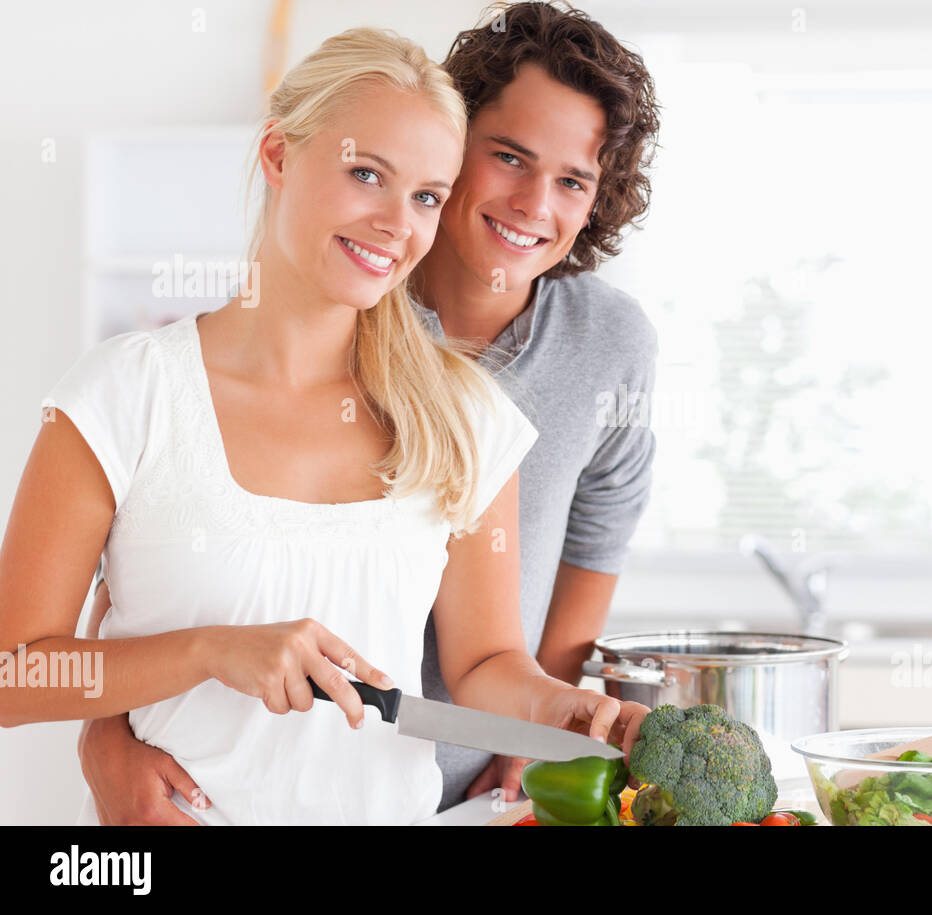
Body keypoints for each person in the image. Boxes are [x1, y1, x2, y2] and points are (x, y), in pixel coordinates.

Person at [0, 26, 646, 826]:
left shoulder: (466, 417)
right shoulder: (124, 394)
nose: (394, 223)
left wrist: (570, 714)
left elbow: (483, 663)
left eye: (425, 197)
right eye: (365, 173)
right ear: (277, 155)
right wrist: (209, 650)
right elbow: (12, 677)